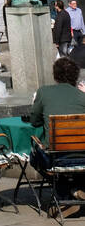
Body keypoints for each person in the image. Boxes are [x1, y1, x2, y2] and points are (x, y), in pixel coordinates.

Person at [28, 57, 85, 213]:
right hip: (83, 156)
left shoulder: (44, 92)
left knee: (35, 155)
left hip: (56, 158)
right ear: (75, 76)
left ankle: (65, 196)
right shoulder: (82, 96)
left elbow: (33, 121)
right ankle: (77, 190)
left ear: (55, 76)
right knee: (73, 156)